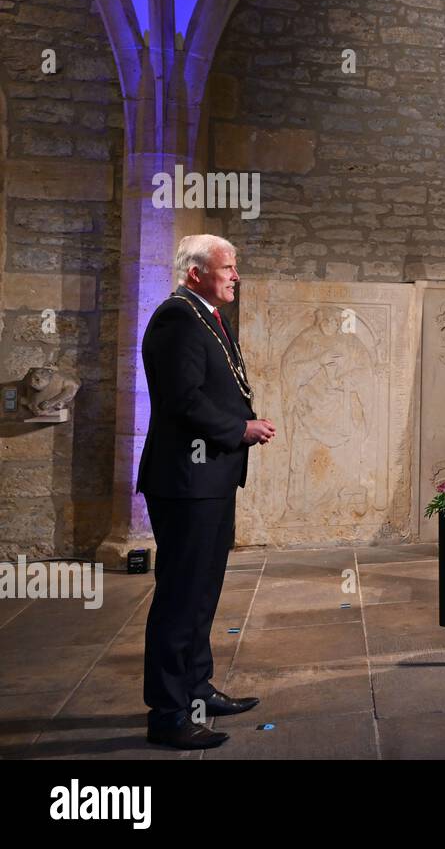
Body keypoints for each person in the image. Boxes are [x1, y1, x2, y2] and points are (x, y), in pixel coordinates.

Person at [137, 235, 275, 750]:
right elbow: (183, 400)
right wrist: (239, 430)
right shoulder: (177, 317)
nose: (236, 275)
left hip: (209, 480)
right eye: (228, 267)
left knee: (202, 595)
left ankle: (196, 691)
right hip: (186, 482)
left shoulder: (204, 315)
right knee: (180, 598)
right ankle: (169, 713)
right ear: (195, 272)